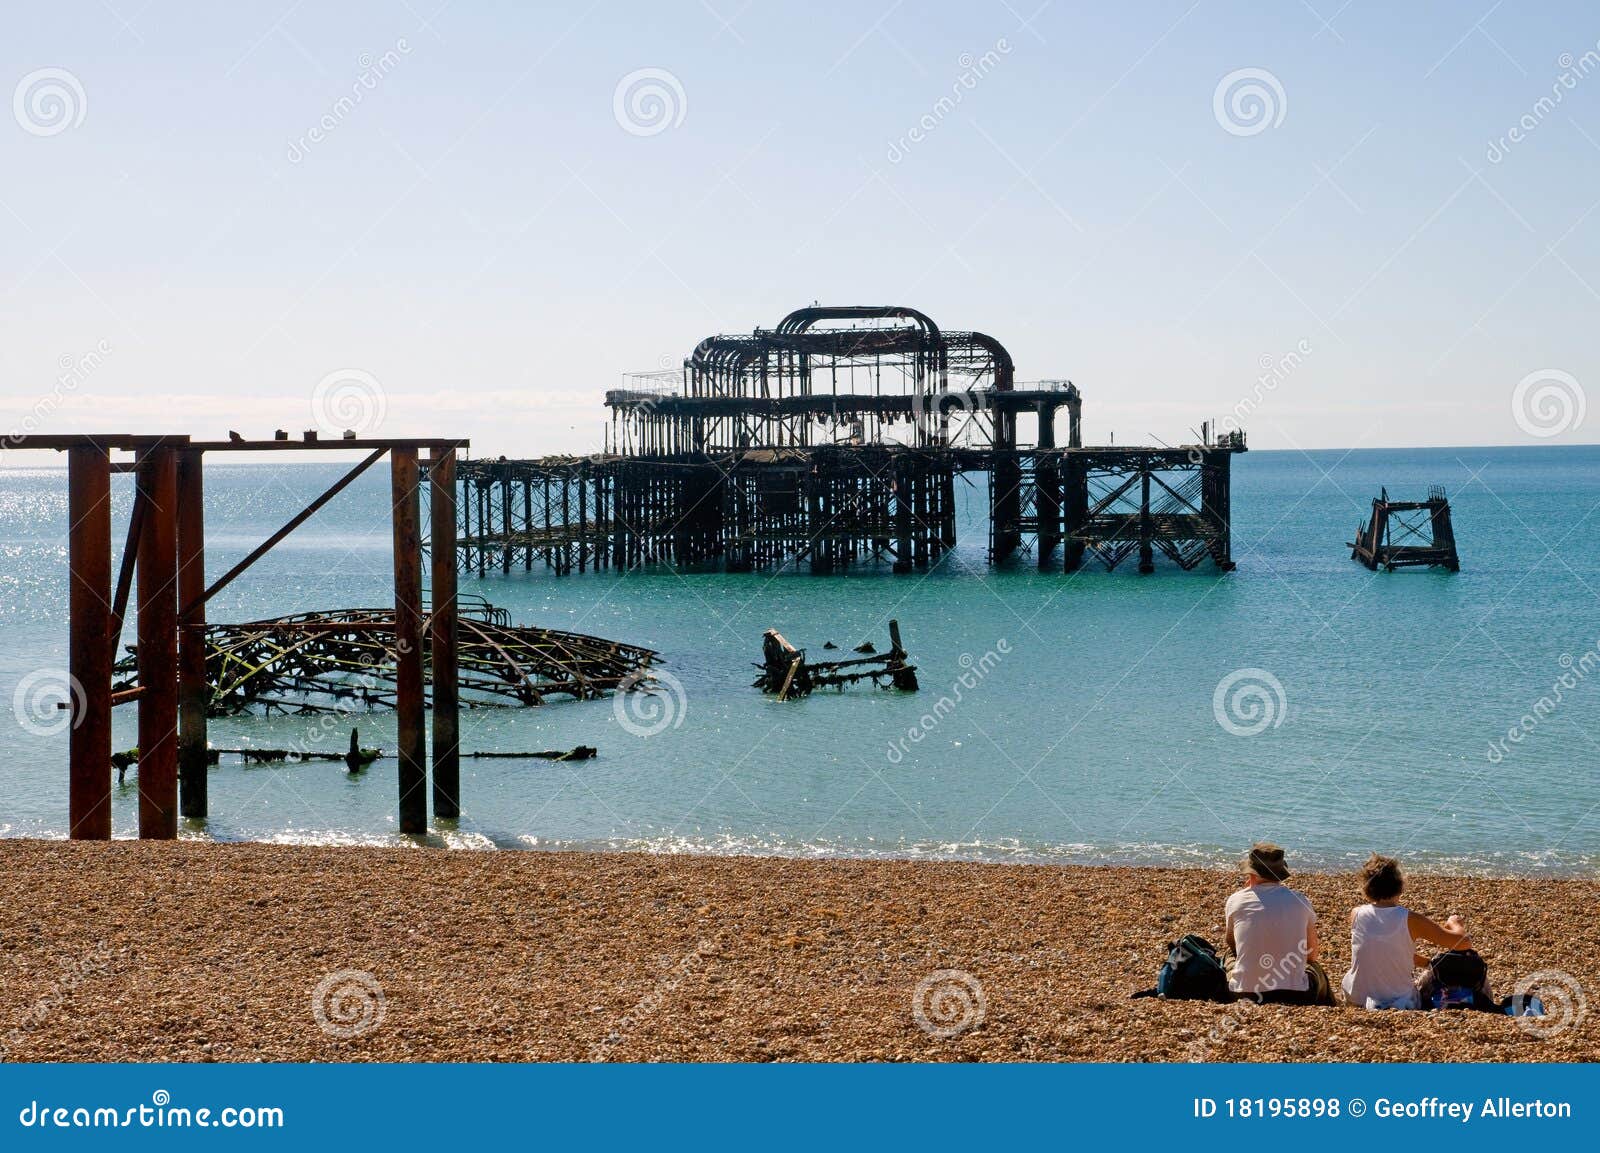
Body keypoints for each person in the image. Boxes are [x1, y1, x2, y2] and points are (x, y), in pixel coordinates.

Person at [1343, 853, 1470, 1010]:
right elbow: (1463, 943)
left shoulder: (1356, 913)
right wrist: (1455, 923)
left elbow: (1382, 949)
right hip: (1399, 1002)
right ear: (1399, 886)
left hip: (1357, 997)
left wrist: (1426, 962)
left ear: (1367, 887)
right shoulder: (1409, 919)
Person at [1223, 842, 1330, 1004]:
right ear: (1280, 874)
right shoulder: (1300, 901)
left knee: (1229, 955)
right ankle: (1330, 1008)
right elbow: (1311, 954)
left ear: (1251, 873)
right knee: (1317, 970)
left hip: (1244, 994)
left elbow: (1233, 945)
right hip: (1297, 996)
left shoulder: (1236, 900)